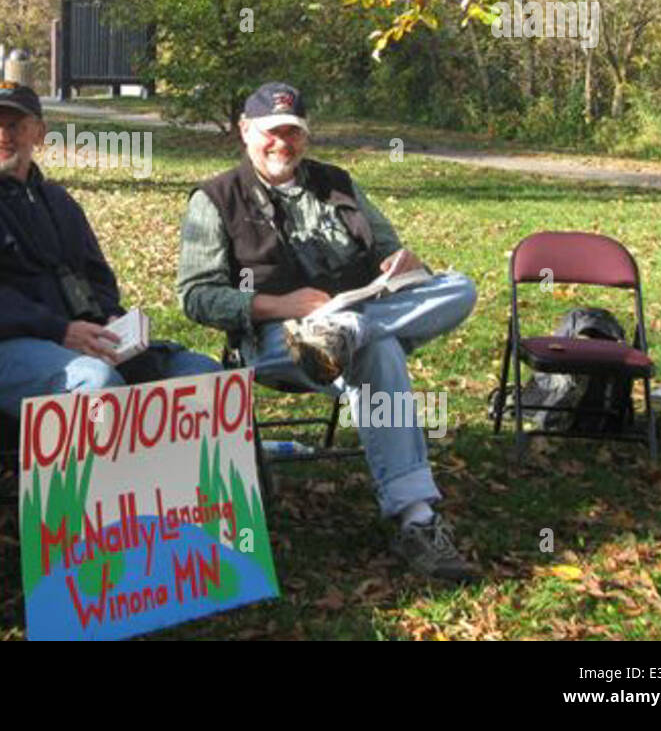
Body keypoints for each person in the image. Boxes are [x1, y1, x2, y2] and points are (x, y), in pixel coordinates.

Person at [177, 81, 479, 582]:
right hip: (277, 340)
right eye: (272, 132)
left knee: (457, 288)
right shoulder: (216, 199)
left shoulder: (337, 183)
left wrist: (403, 261)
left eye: (294, 133)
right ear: (246, 130)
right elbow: (196, 295)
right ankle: (417, 515)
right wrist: (277, 304)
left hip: (356, 314)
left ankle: (415, 517)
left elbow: (389, 249)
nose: (283, 144)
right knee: (374, 342)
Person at [0, 80, 218, 416]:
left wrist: (110, 320)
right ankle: (94, 470)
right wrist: (58, 331)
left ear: (40, 133)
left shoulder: (57, 201)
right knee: (97, 385)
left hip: (70, 340)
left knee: (201, 373)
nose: (1, 136)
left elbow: (97, 278)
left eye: (15, 125)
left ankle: (178, 469)